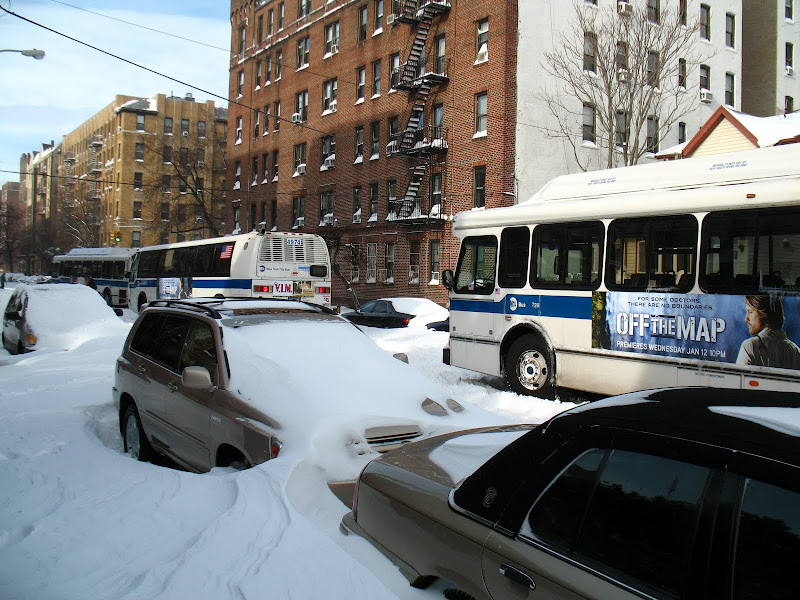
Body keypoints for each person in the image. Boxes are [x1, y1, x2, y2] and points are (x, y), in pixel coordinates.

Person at [736, 295, 800, 370]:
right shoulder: (795, 351)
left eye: (750, 312)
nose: (746, 319)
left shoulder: (750, 346)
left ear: (764, 314)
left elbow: (739, 380)